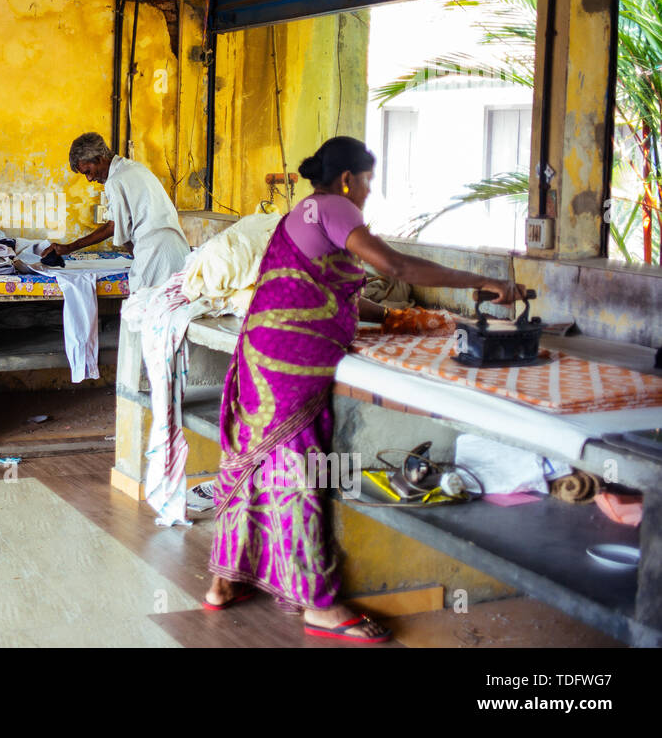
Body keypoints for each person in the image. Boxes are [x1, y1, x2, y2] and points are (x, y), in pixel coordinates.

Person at [204, 136, 525, 642]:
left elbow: (331, 289)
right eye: (369, 180)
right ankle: (319, 606)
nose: (370, 191)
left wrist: (396, 317)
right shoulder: (335, 206)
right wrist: (482, 283)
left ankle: (224, 582)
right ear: (350, 178)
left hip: (263, 353)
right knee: (296, 468)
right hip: (291, 361)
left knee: (253, 463)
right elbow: (394, 267)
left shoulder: (306, 211)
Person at [47, 132, 190, 289]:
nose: (89, 179)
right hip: (177, 250)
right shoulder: (134, 168)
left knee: (143, 308)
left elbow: (113, 227)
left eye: (88, 171)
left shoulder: (115, 181)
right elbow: (127, 227)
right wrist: (138, 258)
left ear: (99, 159)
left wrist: (68, 248)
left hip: (156, 254)